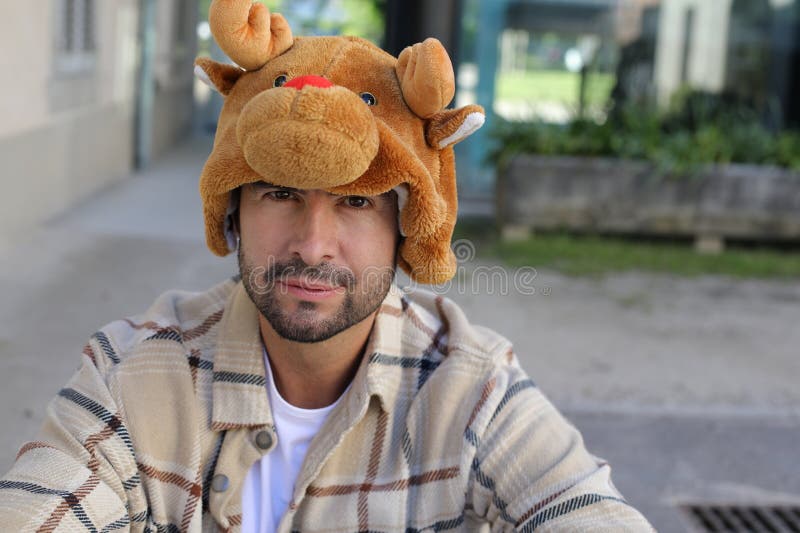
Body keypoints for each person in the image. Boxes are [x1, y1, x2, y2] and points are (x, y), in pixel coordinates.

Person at [0, 2, 653, 531]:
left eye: (356, 202)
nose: (313, 246)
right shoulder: (129, 377)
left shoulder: (472, 394)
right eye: (280, 193)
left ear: (404, 225)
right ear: (233, 212)